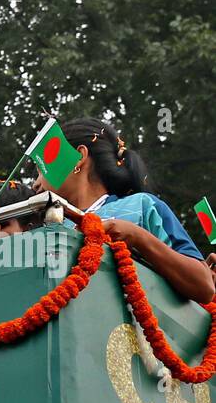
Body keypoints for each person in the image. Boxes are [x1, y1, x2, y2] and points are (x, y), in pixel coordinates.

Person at [35, 117, 213, 304]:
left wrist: (137, 236)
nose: (36, 183)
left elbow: (203, 286)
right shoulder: (48, 227)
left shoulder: (142, 206)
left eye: (41, 169)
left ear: (79, 157)